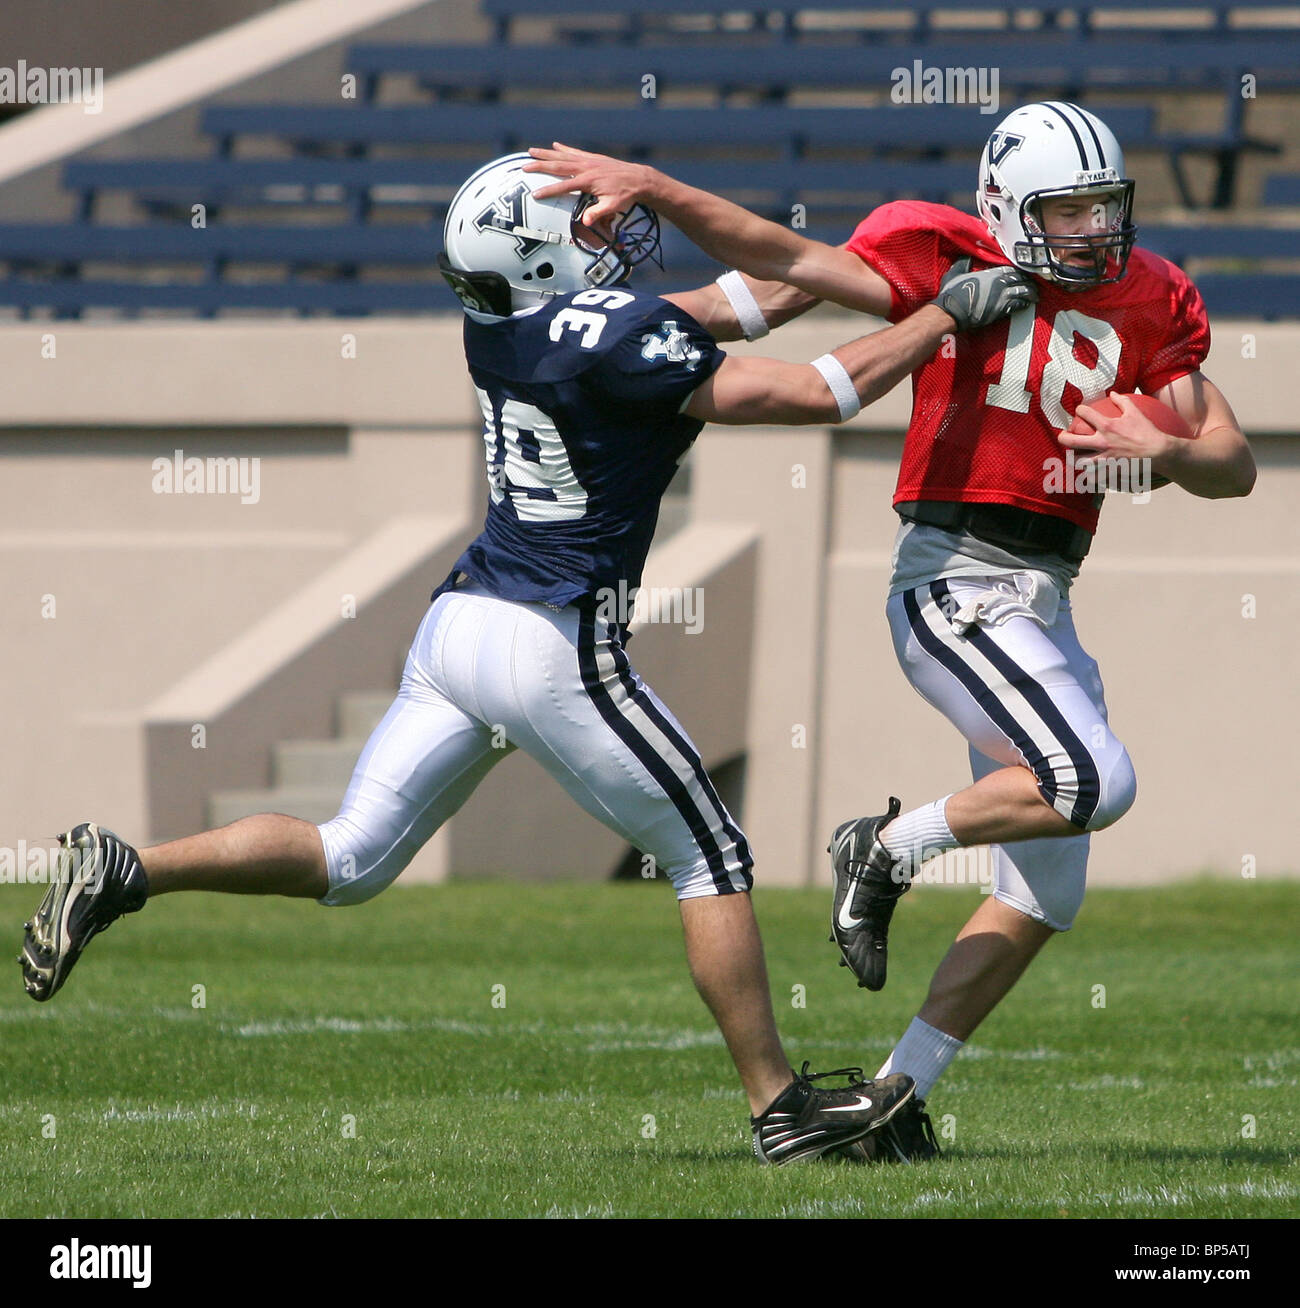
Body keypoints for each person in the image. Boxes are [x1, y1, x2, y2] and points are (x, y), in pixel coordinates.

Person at [18, 152, 1035, 1165]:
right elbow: (817, 394)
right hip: (554, 640)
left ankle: (130, 868)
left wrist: (870, 268)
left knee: (351, 856)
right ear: (541, 256)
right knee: (709, 855)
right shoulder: (621, 336)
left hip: (459, 629)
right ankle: (780, 1110)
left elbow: (727, 308)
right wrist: (943, 317)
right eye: (584, 232)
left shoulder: (498, 324)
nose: (607, 239)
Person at [526, 99, 1256, 1162]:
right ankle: (887, 847)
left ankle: (892, 1096)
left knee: (1044, 891)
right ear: (1006, 210)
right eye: (1069, 212)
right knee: (1093, 784)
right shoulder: (942, 252)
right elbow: (787, 261)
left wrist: (1170, 447)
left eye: (1106, 207)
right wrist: (658, 186)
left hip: (1042, 596)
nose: (1095, 232)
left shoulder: (1151, 296)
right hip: (953, 579)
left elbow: (1228, 458)